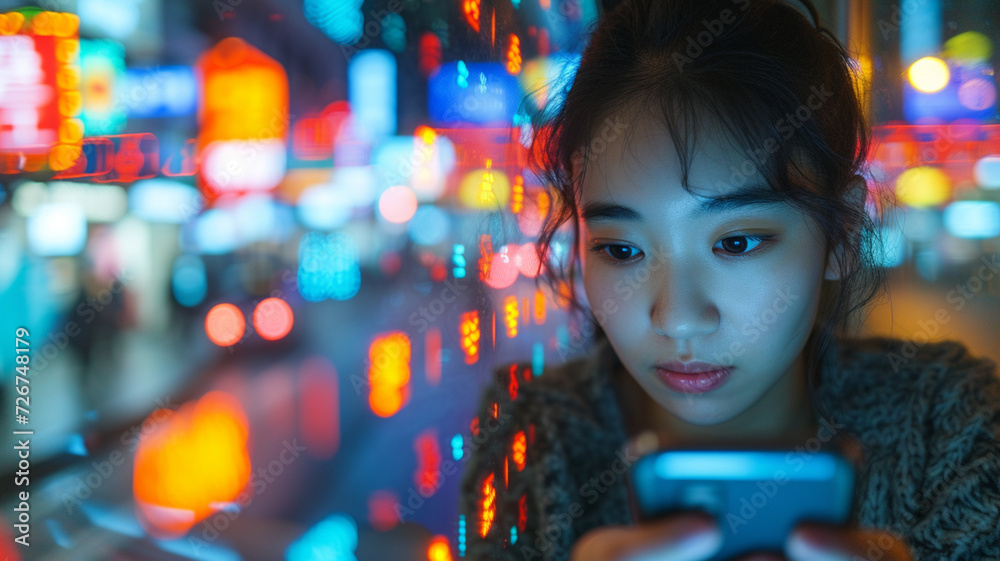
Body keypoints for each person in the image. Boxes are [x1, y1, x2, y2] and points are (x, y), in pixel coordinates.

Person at [457, 0, 1000, 560]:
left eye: (735, 243)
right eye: (621, 250)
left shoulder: (951, 427)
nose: (678, 318)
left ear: (840, 237)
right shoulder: (537, 436)